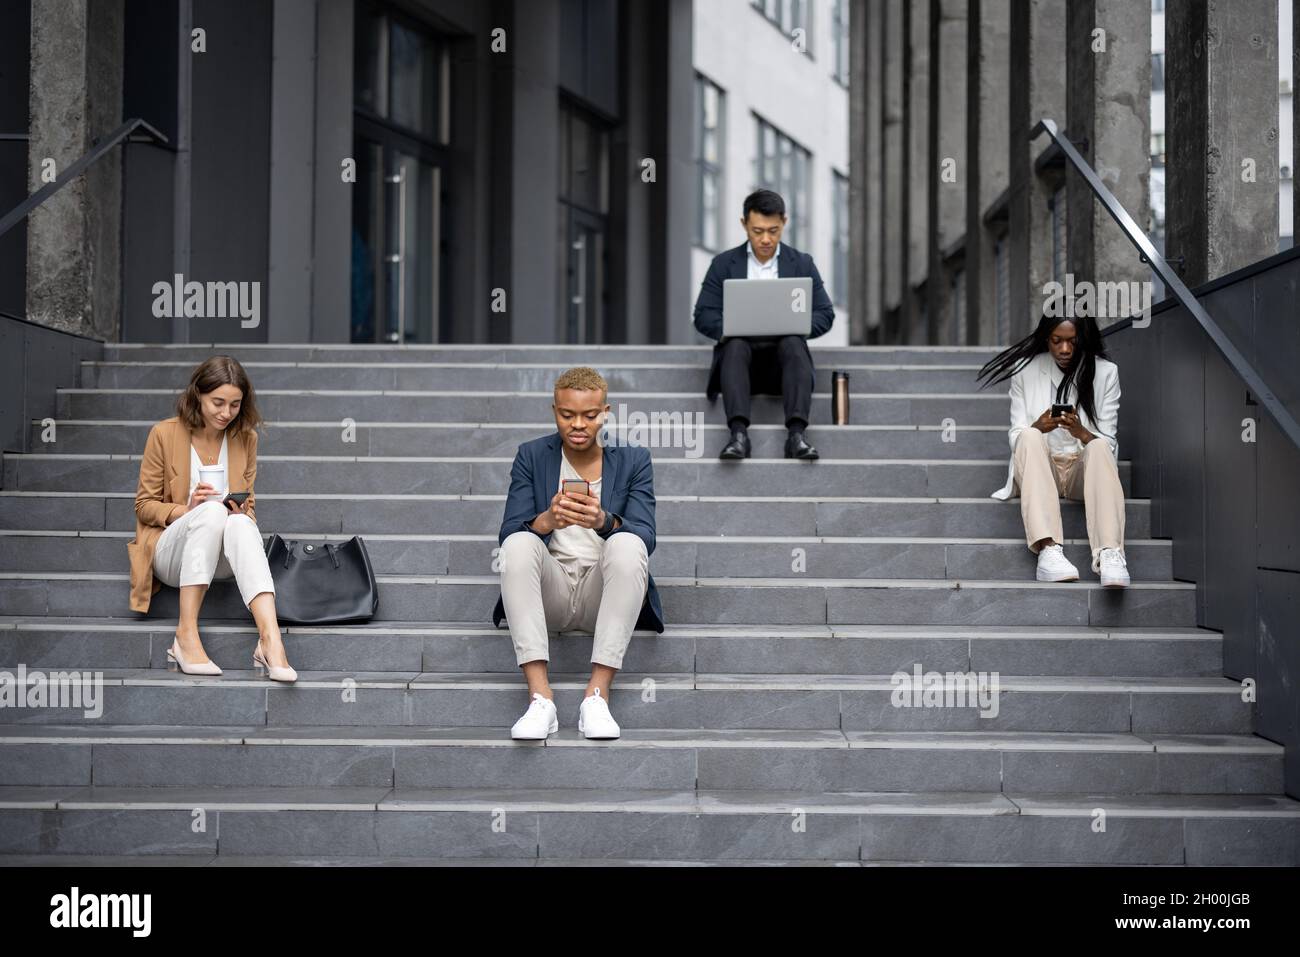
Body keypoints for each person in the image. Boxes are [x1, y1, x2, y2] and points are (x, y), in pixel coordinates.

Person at [492, 366, 664, 740]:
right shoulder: (532, 455)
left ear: (606, 412)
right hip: (550, 593)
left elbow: (646, 537)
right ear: (554, 410)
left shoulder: (634, 460)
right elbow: (508, 531)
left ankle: (597, 696)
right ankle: (540, 699)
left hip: (603, 595)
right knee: (518, 543)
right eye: (567, 415)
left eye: (589, 415)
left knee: (627, 542)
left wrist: (603, 521)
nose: (578, 425)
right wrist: (547, 520)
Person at [128, 355, 298, 681]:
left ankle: (270, 640)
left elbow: (249, 506)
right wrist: (186, 510)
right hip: (171, 553)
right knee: (208, 512)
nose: (225, 413)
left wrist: (241, 511)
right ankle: (185, 635)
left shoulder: (245, 438)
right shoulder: (164, 434)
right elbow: (144, 505)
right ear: (198, 395)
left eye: (235, 405)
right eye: (217, 402)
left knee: (240, 522)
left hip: (220, 557)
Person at [978, 315, 1129, 587]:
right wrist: (1038, 426)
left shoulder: (1106, 372)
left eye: (1073, 341)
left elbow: (1110, 441)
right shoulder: (1025, 370)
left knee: (1098, 446)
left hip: (1081, 473)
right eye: (1056, 341)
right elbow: (1016, 437)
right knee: (1028, 435)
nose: (1064, 350)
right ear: (1046, 339)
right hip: (1041, 467)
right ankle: (1048, 549)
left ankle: (1110, 552)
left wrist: (1082, 433)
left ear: (1084, 339)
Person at [692, 188, 835, 460]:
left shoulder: (802, 264)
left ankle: (796, 437)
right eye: (758, 231)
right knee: (734, 343)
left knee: (793, 342)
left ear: (784, 223)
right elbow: (703, 314)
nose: (766, 239)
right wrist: (731, 327)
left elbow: (825, 313)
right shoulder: (723, 264)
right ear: (744, 224)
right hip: (739, 368)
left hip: (784, 369)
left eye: (774, 230)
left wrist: (797, 323)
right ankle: (738, 436)